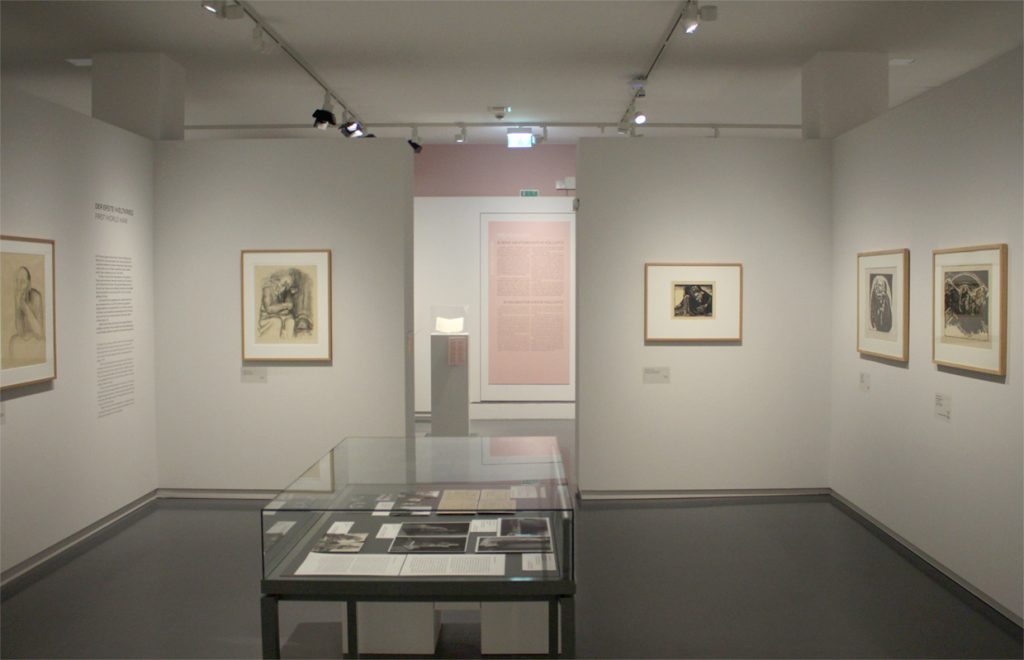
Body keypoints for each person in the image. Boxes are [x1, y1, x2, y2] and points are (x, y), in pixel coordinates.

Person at [8, 266, 45, 363]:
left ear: (28, 283)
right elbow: (20, 331)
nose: (19, 286)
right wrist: (18, 306)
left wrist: (25, 308)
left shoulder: (36, 296)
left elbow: (39, 333)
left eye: (22, 282)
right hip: (25, 338)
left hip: (36, 339)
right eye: (17, 281)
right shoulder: (18, 298)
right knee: (13, 342)